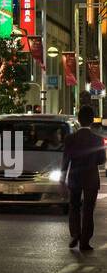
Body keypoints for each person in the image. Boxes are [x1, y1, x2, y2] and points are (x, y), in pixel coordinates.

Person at [62, 105, 105, 252]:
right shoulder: (98, 140)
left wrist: (62, 178)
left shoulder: (70, 139)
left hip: (74, 176)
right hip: (91, 178)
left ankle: (75, 234)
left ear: (79, 120)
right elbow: (101, 160)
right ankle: (85, 241)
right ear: (92, 120)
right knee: (88, 210)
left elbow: (65, 160)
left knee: (74, 206)